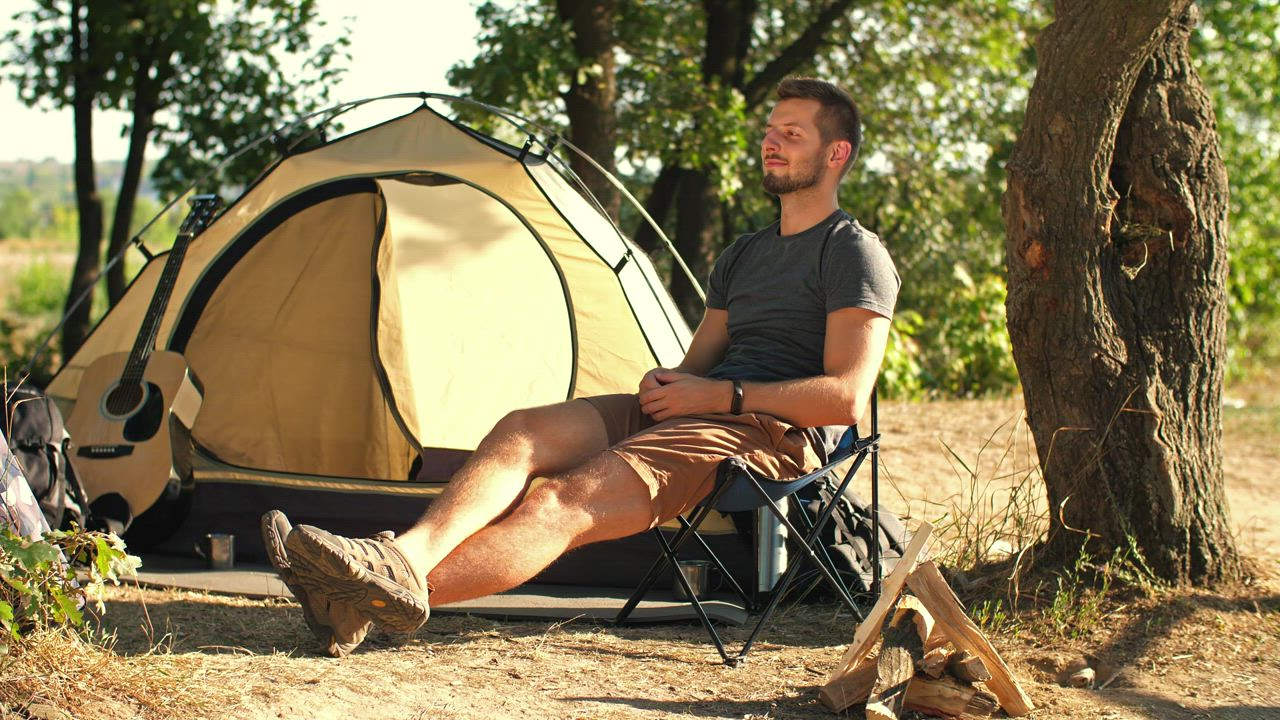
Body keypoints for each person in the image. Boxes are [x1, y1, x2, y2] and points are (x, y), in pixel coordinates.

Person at [263, 76, 899, 657]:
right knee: (524, 430)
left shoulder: (853, 253)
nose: (771, 143)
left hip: (765, 434)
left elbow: (846, 397)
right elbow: (700, 360)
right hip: (707, 406)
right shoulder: (744, 254)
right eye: (769, 131)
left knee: (558, 503)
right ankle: (398, 559)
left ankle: (365, 595)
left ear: (835, 153)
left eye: (792, 134)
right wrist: (671, 383)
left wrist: (720, 397)